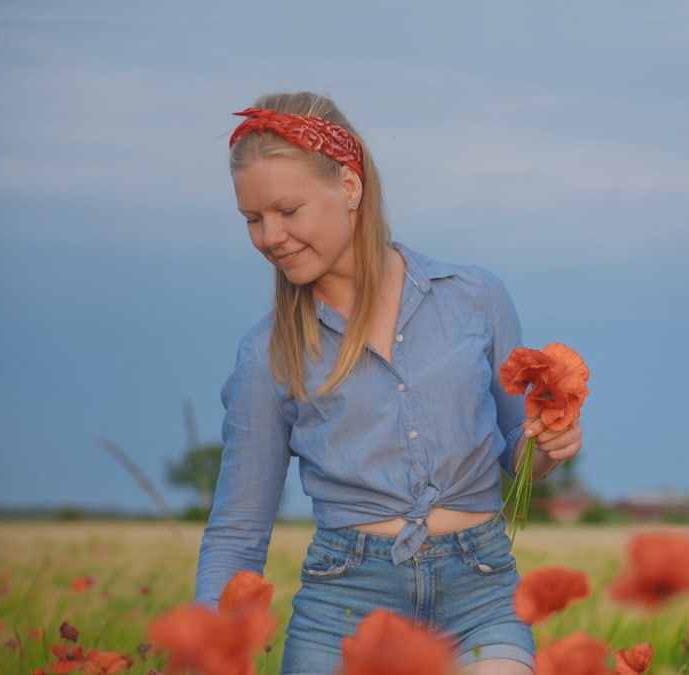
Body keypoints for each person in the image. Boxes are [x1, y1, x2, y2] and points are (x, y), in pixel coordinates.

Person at [194, 91, 583, 675]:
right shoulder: (267, 352)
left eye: (287, 210)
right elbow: (239, 528)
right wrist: (207, 650)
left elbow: (515, 452)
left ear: (350, 187)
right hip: (344, 604)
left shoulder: (475, 297)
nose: (269, 235)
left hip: (480, 593)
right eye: (253, 218)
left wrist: (548, 443)